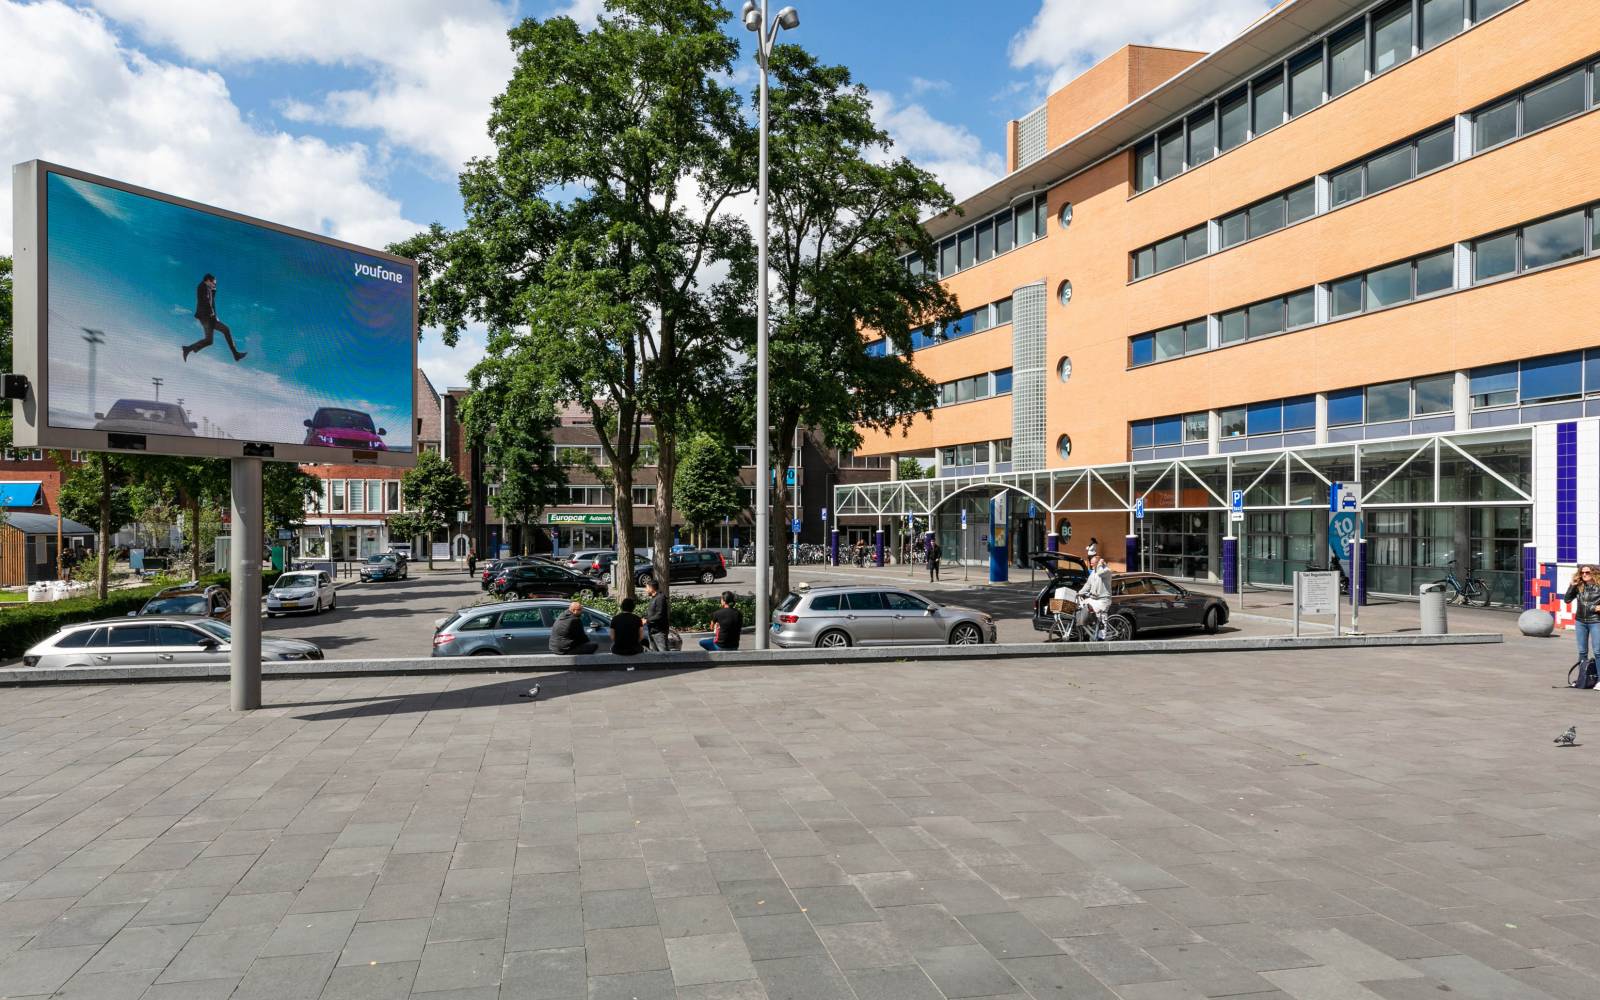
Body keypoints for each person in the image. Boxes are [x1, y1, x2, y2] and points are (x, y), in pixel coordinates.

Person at [183, 274, 247, 363]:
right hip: (206, 318)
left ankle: (187, 349)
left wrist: (213, 292)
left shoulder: (207, 288)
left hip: (209, 317)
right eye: (213, 283)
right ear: (208, 280)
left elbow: (211, 301)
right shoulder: (202, 287)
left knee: (209, 340)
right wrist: (211, 313)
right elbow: (205, 300)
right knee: (226, 330)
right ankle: (236, 355)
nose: (214, 285)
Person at [1565, 565, 1600, 668]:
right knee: (1582, 652)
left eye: (1587, 572)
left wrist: (1594, 608)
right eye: (1582, 572)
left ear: (1594, 573)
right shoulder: (1579, 587)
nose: (1584, 574)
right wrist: (1572, 586)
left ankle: (1599, 681)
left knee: (1598, 652)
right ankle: (1583, 679)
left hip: (1596, 621)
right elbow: (1567, 600)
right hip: (1580, 622)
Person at [1075, 557, 1112, 639]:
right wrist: (1079, 593)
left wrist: (1100, 564)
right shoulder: (1093, 573)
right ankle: (1092, 625)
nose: (1091, 564)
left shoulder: (1106, 571)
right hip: (1094, 599)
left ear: (1098, 563)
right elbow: (1088, 585)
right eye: (1090, 562)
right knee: (1081, 605)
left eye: (1093, 563)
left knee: (1101, 616)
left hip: (1103, 600)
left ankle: (1102, 637)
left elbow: (1100, 573)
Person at [644, 576, 672, 652]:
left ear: (651, 588)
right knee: (654, 655)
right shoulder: (654, 598)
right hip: (652, 631)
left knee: (664, 654)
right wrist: (644, 618)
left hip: (659, 631)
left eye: (646, 588)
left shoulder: (660, 598)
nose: (645, 590)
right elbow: (652, 613)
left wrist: (647, 620)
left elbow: (660, 615)